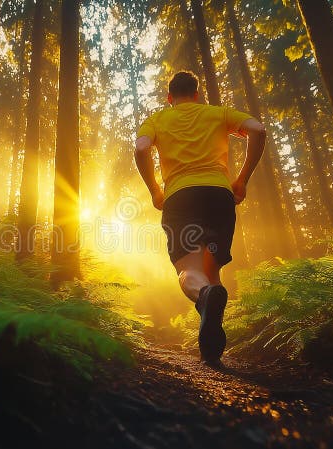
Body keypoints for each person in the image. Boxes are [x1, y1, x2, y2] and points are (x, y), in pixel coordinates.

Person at [134, 71, 266, 364]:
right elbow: (258, 130)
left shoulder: (157, 120)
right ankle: (212, 352)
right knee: (212, 271)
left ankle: (205, 295)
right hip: (219, 196)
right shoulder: (218, 114)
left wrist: (156, 191)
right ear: (196, 94)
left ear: (170, 98)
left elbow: (141, 147)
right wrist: (241, 180)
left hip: (181, 198)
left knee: (191, 274)